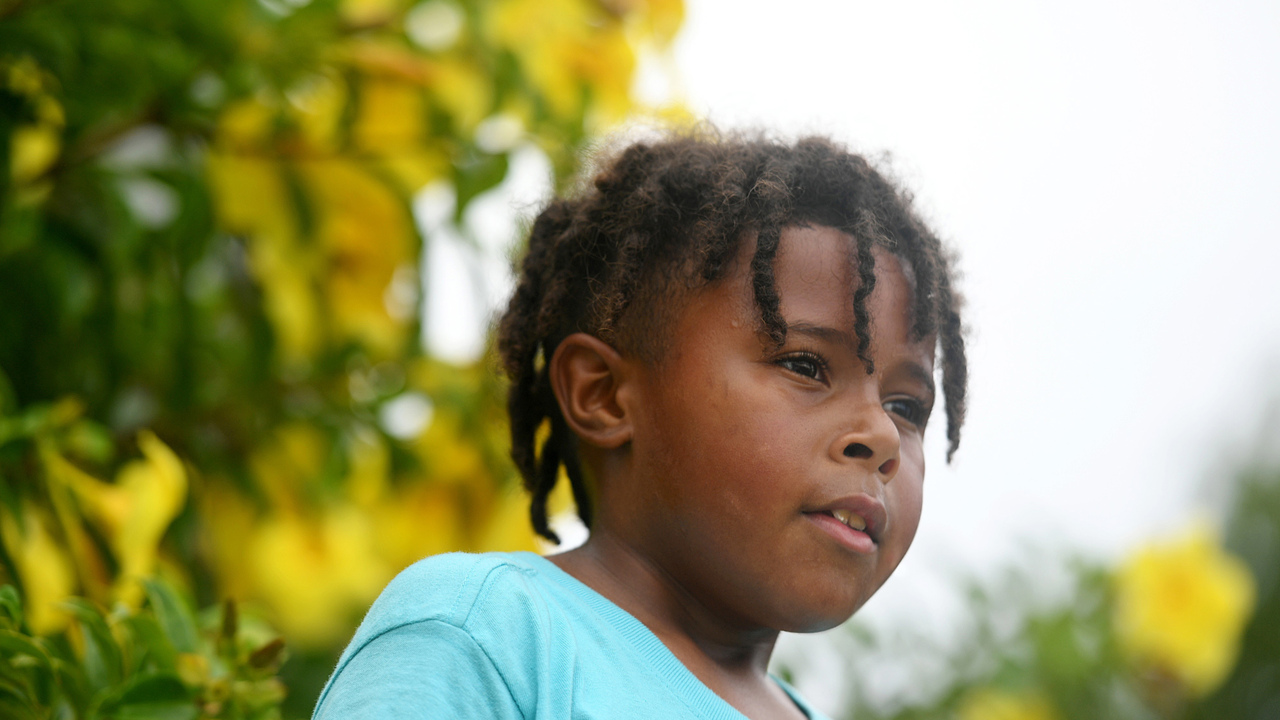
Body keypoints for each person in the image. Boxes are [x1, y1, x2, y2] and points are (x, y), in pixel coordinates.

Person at [312, 131, 968, 719]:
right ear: (604, 396)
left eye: (906, 406)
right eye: (804, 364)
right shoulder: (487, 636)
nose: (880, 435)